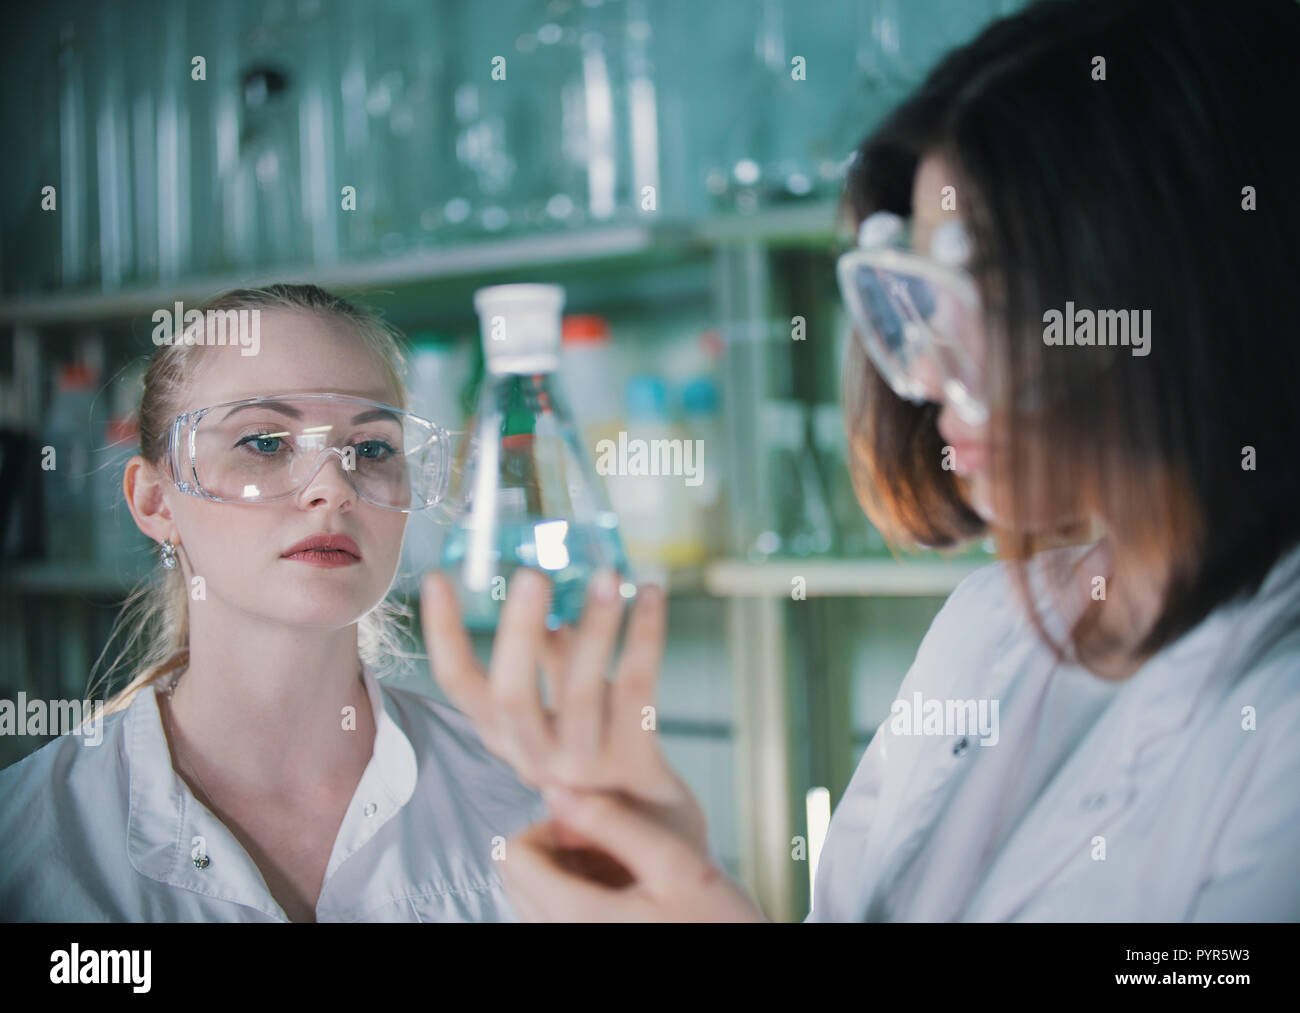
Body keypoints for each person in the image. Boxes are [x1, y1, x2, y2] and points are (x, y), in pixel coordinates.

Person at [422, 0, 1300, 921]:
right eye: (911, 298)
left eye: (987, 290)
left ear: (1196, 282)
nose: (921, 375)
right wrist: (679, 880)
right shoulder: (988, 625)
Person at [0, 284, 552, 922]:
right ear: (155, 502)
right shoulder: (25, 846)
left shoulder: (526, 802)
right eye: (264, 442)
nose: (332, 489)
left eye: (371, 449)